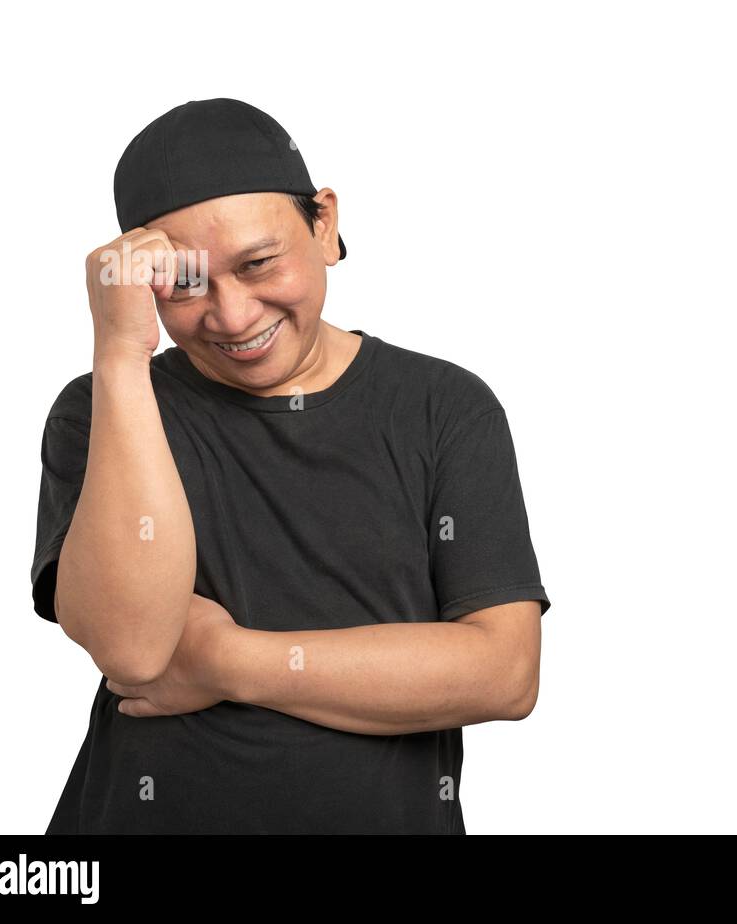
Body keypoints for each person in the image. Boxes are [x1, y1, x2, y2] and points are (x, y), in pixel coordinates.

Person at [30, 98, 552, 833]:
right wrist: (120, 356)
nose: (233, 315)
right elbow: (132, 649)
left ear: (325, 225)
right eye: (185, 283)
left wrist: (227, 660)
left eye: (259, 263)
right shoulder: (103, 411)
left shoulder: (445, 408)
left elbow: (503, 674)